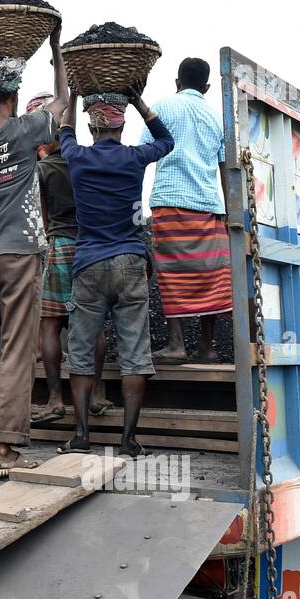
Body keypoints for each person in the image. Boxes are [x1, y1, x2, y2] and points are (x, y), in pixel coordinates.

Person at [0, 25, 71, 476]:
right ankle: (4, 449)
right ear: (16, 91)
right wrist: (56, 47)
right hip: (18, 255)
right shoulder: (28, 132)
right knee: (16, 349)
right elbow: (62, 99)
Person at [59, 82, 173, 457]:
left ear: (92, 128)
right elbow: (166, 140)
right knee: (134, 353)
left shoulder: (76, 156)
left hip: (88, 263)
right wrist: (139, 100)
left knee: (80, 351)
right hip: (129, 261)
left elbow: (63, 129)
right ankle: (128, 441)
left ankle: (80, 435)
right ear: (121, 127)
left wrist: (74, 97)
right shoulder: (135, 157)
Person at [142, 57, 231, 362]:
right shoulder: (218, 118)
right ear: (206, 87)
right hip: (209, 205)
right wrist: (230, 212)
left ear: (177, 82)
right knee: (212, 278)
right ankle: (206, 346)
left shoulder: (162, 107)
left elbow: (143, 154)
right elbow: (224, 167)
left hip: (171, 201)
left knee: (171, 274)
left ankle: (176, 343)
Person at [30, 93, 111, 426]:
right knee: (92, 322)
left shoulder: (43, 168)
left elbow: (44, 218)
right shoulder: (88, 161)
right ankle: (97, 395)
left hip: (60, 243)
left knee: (50, 324)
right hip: (93, 245)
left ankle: (54, 399)